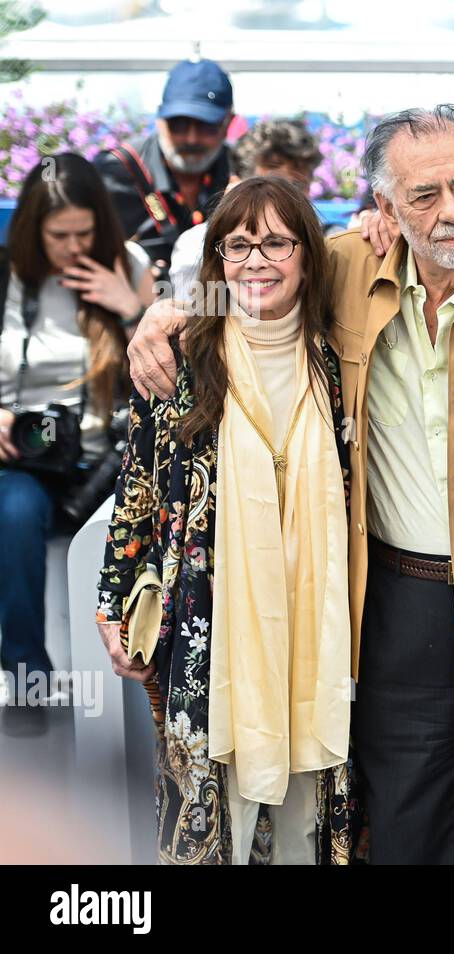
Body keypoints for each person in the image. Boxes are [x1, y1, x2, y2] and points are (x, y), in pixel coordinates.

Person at [124, 105, 454, 865]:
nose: (451, 212)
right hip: (396, 618)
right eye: (422, 197)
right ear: (385, 210)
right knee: (405, 845)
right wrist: (166, 315)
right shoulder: (342, 270)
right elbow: (249, 281)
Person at [97, 177, 354, 864]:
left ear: (306, 254)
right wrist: (110, 600)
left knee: (307, 821)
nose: (257, 261)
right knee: (214, 815)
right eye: (237, 246)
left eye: (276, 242)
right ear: (215, 261)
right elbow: (139, 487)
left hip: (320, 628)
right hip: (209, 625)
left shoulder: (340, 357)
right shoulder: (181, 358)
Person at [1, 154, 153, 734]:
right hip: (28, 457)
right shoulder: (7, 277)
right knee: (13, 514)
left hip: (111, 454)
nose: (71, 247)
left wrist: (132, 307)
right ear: (32, 229)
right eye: (57, 235)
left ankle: (150, 675)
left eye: (84, 234)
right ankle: (25, 681)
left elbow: (175, 370)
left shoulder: (131, 265)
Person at [95, 58, 234, 273]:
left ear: (228, 123)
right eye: (178, 124)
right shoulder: (115, 172)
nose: (191, 139)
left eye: (207, 126)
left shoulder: (241, 173)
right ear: (159, 119)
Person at [169, 118, 325, 296]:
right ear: (235, 186)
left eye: (296, 187)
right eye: (269, 185)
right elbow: (192, 315)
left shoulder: (328, 241)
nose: (284, 199)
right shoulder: (195, 245)